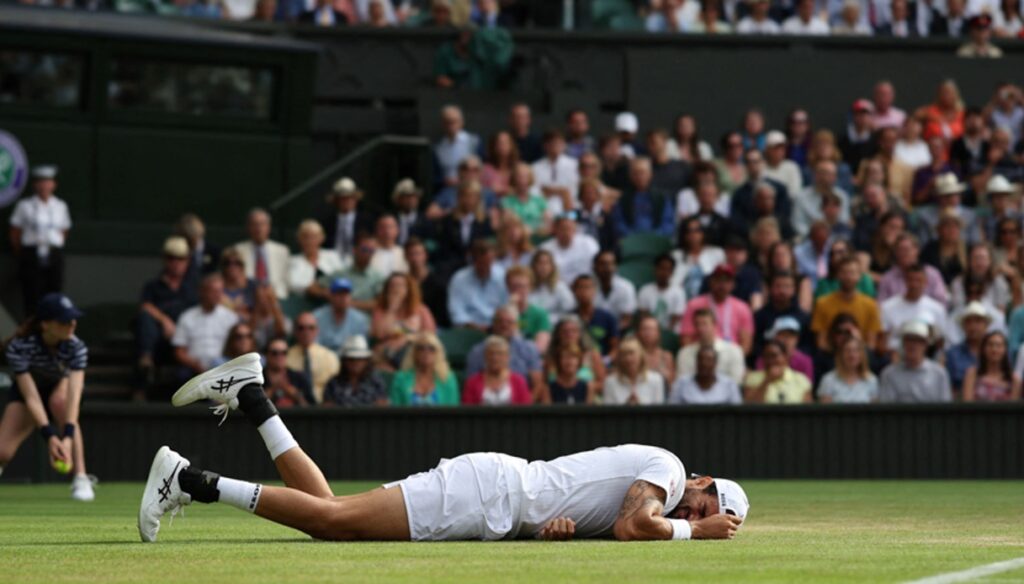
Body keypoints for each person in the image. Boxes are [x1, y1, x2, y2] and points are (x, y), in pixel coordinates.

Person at [143, 358, 750, 543]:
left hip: (500, 499)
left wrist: (555, 532)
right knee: (332, 524)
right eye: (708, 503)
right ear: (702, 479)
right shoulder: (668, 471)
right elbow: (629, 526)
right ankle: (190, 479)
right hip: (488, 493)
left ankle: (249, 393)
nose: (696, 514)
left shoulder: (663, 495)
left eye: (708, 514)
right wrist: (700, 535)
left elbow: (610, 521)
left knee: (326, 506)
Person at [1, 293, 93, 500]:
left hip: (60, 388)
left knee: (59, 401)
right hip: (30, 392)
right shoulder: (19, 347)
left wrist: (66, 437)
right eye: (64, 320)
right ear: (46, 324)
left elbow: (74, 392)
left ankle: (80, 477)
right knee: (3, 452)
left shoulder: (76, 347)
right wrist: (50, 436)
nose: (72, 324)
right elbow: (31, 395)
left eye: (73, 318)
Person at [9, 165, 72, 316]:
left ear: (54, 185)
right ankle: (31, 333)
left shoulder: (60, 206)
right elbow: (15, 232)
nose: (45, 185)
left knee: (54, 293)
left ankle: (52, 331)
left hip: (53, 254)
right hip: (31, 254)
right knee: (32, 295)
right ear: (35, 185)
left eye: (48, 181)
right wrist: (24, 252)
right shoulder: (25, 206)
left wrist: (54, 244)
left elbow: (64, 229)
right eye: (41, 182)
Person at [136, 237, 198, 389]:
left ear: (188, 261)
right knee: (144, 321)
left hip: (187, 338)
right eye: (171, 258)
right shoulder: (153, 286)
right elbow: (144, 306)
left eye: (181, 258)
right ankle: (145, 365)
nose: (176, 263)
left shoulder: (194, 287)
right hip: (159, 337)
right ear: (164, 259)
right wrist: (164, 321)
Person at [465, 305, 545, 393]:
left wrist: (526, 404)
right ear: (493, 324)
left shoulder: (529, 348)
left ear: (516, 325)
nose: (504, 325)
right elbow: (471, 386)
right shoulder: (477, 351)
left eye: (509, 322)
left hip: (522, 402)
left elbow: (538, 384)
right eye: (500, 321)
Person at [172, 274, 239, 377]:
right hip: (193, 368)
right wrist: (193, 364)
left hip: (223, 368)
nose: (217, 295)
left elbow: (238, 346)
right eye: (213, 291)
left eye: (220, 291)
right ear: (202, 292)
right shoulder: (187, 317)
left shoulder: (231, 318)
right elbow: (179, 351)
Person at [810, 257, 883, 353]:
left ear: (860, 276)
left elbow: (871, 343)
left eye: (852, 273)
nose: (848, 277)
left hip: (861, 354)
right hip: (831, 355)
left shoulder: (870, 305)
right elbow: (821, 343)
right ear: (838, 275)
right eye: (844, 272)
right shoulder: (822, 303)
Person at [680, 265, 754, 356]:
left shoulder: (743, 308)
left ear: (733, 284)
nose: (722, 284)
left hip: (730, 357)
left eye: (726, 281)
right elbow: (686, 339)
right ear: (711, 282)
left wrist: (734, 359)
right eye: (718, 280)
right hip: (701, 357)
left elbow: (746, 344)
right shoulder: (694, 305)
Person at [371, 272, 437, 371]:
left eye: (400, 285)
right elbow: (379, 333)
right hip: (385, 353)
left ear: (408, 289)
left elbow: (430, 334)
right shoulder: (381, 309)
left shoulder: (420, 310)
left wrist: (407, 337)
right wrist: (391, 309)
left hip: (411, 352)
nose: (396, 289)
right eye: (392, 286)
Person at [879, 321, 953, 403]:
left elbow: (944, 409)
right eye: (909, 340)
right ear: (903, 343)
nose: (913, 345)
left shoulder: (939, 374)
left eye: (918, 340)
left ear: (926, 344)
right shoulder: (889, 374)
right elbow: (886, 409)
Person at [880, 264, 948, 353]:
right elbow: (882, 340)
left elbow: (941, 341)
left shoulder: (937, 309)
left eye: (918, 280)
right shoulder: (887, 307)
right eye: (911, 280)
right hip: (895, 355)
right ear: (905, 281)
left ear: (926, 282)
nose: (914, 285)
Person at [447, 239, 508, 331]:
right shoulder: (459, 279)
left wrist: (495, 325)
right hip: (468, 329)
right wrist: (474, 326)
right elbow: (456, 312)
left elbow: (506, 306)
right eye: (482, 263)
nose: (487, 267)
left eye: (490, 262)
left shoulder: (502, 276)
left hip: (497, 327)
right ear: (474, 262)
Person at [676, 309, 746, 385]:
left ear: (714, 325)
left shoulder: (734, 351)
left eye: (704, 324)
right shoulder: (685, 353)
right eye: (697, 324)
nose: (700, 328)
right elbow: (683, 382)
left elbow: (736, 381)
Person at [233, 208, 290, 300]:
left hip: (277, 298)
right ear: (248, 227)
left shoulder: (282, 250)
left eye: (262, 224)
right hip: (248, 298)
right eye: (255, 224)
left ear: (269, 227)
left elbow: (286, 280)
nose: (259, 228)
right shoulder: (238, 250)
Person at [389, 332, 459, 406]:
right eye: (421, 348)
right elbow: (395, 411)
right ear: (414, 353)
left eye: (431, 348)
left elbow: (453, 413)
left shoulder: (447, 379)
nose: (426, 352)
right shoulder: (400, 379)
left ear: (438, 353)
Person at [611, 157, 675, 239]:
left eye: (642, 172)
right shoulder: (623, 199)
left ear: (650, 174)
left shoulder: (661, 198)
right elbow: (619, 223)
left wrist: (653, 237)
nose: (639, 176)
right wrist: (634, 237)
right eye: (635, 173)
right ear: (630, 176)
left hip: (657, 242)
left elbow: (668, 223)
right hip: (631, 243)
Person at [754, 271, 813, 358]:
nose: (782, 291)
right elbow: (756, 346)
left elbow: (808, 347)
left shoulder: (804, 318)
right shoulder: (760, 317)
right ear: (770, 288)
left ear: (794, 289)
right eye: (778, 286)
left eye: (787, 286)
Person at [323, 231, 386, 313]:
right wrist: (330, 294)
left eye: (371, 251)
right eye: (364, 249)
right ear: (355, 249)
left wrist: (349, 304)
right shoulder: (340, 273)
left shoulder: (378, 277)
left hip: (364, 321)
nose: (368, 254)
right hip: (337, 318)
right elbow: (313, 288)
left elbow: (380, 303)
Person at [877, 234, 949, 306]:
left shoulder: (932, 274)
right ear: (895, 253)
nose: (904, 253)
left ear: (916, 250)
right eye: (900, 250)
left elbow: (941, 303)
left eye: (907, 249)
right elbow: (882, 306)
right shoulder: (888, 278)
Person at [286, 312, 340, 404]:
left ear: (317, 330)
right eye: (301, 328)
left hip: (325, 407)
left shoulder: (330, 357)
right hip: (296, 408)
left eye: (311, 328)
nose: (306, 332)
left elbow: (336, 386)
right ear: (295, 331)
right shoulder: (285, 356)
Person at [544, 316, 607, 394]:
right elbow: (544, 385)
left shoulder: (592, 355)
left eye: (574, 331)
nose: (569, 334)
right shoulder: (551, 357)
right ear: (558, 334)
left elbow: (603, 384)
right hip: (556, 401)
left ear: (580, 334)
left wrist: (579, 389)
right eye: (565, 331)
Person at [462, 336, 533, 406]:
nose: (495, 357)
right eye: (491, 353)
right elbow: (467, 410)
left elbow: (526, 409)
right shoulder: (472, 382)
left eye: (500, 354)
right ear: (485, 356)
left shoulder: (519, 381)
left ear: (507, 357)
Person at [323, 336, 389, 406]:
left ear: (366, 361)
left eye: (360, 358)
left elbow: (382, 407)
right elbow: (328, 409)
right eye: (351, 359)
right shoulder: (333, 383)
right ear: (344, 361)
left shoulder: (376, 382)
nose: (355, 363)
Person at [287, 220, 344, 299]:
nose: (309, 241)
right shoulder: (292, 261)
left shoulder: (332, 256)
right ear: (299, 239)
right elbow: (292, 285)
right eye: (305, 237)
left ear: (321, 238)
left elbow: (342, 277)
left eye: (314, 237)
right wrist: (314, 290)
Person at [321, 177, 375, 261]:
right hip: (331, 262)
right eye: (343, 198)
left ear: (356, 199)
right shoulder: (327, 222)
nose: (347, 201)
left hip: (358, 262)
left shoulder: (367, 221)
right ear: (336, 201)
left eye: (350, 197)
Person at [742, 340, 811, 403]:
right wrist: (767, 381)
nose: (770, 361)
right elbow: (750, 406)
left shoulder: (801, 379)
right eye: (766, 356)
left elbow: (808, 410)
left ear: (785, 357)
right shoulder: (752, 378)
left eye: (774, 356)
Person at [668, 345, 742, 405]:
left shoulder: (729, 385)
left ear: (715, 363)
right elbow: (672, 412)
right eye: (700, 359)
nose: (704, 363)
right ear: (696, 363)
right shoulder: (681, 384)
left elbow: (737, 414)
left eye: (709, 360)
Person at [540, 213, 600, 286]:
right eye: (562, 228)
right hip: (559, 288)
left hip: (587, 286)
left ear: (575, 229)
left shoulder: (588, 243)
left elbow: (598, 265)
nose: (566, 232)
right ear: (555, 230)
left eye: (569, 228)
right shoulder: (545, 249)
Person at [947, 301, 994, 393]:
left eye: (978, 321)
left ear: (986, 325)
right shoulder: (952, 354)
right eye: (969, 322)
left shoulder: (996, 351)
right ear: (963, 326)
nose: (973, 326)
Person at [671, 217, 725, 297]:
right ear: (684, 236)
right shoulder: (675, 255)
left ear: (703, 233)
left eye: (697, 231)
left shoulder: (717, 253)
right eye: (689, 232)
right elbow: (673, 283)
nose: (693, 235)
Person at [312, 278, 370, 352]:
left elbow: (360, 349)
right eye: (339, 294)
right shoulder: (317, 317)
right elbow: (313, 346)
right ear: (331, 296)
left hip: (349, 360)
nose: (343, 298)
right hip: (323, 359)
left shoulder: (360, 320)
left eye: (346, 294)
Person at [602, 338, 666, 405]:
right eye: (624, 354)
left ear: (641, 355)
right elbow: (608, 413)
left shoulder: (656, 379)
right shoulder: (610, 382)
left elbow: (659, 412)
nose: (628, 359)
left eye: (631, 353)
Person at [817, 336, 878, 403]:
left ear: (862, 355)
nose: (852, 355)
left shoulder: (871, 380)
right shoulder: (829, 380)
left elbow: (874, 410)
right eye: (847, 350)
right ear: (841, 355)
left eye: (856, 350)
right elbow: (824, 411)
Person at [531, 129, 579, 215]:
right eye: (552, 144)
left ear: (564, 145)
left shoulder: (574, 165)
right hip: (543, 212)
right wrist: (561, 191)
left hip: (569, 209)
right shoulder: (535, 167)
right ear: (545, 146)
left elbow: (574, 190)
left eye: (559, 143)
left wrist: (553, 191)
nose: (555, 146)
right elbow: (535, 191)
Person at [505, 266, 552, 351]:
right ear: (508, 288)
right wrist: (511, 310)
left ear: (530, 287)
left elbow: (540, 348)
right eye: (514, 286)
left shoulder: (540, 314)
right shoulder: (502, 314)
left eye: (522, 286)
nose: (518, 290)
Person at [964, 332, 1021, 402]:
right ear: (983, 349)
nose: (994, 349)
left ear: (1005, 350)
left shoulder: (1014, 379)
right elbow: (967, 405)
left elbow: (1013, 408)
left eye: (999, 345)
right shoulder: (972, 374)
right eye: (990, 345)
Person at [406, 237, 449, 328]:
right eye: (411, 254)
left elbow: (441, 316)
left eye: (418, 254)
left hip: (432, 327)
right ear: (405, 256)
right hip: (406, 326)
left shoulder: (438, 283)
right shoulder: (402, 282)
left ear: (425, 255)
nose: (414, 258)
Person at [572, 275, 619, 357]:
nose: (584, 291)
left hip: (603, 361)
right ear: (574, 291)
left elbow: (615, 347)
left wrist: (607, 361)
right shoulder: (569, 318)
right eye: (580, 287)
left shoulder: (608, 318)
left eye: (588, 287)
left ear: (595, 291)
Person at [434, 104, 480, 187]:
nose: (451, 126)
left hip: (471, 188)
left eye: (454, 121)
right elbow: (436, 174)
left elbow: (480, 168)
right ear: (442, 124)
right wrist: (444, 181)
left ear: (461, 122)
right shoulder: (438, 148)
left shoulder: (474, 142)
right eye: (447, 122)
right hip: (447, 188)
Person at [638, 253, 687, 331]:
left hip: (671, 333)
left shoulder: (679, 292)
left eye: (668, 270)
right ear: (655, 269)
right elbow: (644, 316)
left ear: (672, 272)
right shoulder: (645, 290)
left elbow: (676, 318)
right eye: (661, 268)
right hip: (650, 331)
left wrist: (665, 334)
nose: (664, 273)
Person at [756, 317, 814, 382]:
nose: (787, 339)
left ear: (797, 339)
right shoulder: (763, 359)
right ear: (775, 337)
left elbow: (807, 387)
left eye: (791, 336)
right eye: (783, 334)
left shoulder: (805, 361)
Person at [593, 251, 638, 332]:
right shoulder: (588, 286)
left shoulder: (626, 287)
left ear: (616, 267)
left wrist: (611, 332)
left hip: (619, 332)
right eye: (602, 263)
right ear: (595, 267)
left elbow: (627, 319)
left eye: (610, 263)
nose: (606, 267)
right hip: (593, 332)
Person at [262, 338, 314, 408]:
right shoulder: (258, 379)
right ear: (266, 355)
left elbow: (312, 408)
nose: (279, 357)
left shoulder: (299, 378)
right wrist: (270, 392)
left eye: (284, 353)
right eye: (275, 353)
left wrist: (296, 395)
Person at [502, 163, 549, 234]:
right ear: (514, 179)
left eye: (525, 177)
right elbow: (509, 223)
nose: (522, 181)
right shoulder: (507, 202)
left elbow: (548, 223)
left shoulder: (539, 201)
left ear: (530, 179)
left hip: (538, 235)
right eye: (519, 177)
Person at [635, 315, 676, 384]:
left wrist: (665, 375)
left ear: (658, 333)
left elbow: (672, 385)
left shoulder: (666, 357)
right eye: (644, 329)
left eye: (651, 329)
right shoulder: (633, 356)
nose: (648, 333)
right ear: (638, 333)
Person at [219, 248, 257, 320]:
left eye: (237, 263)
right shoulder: (215, 287)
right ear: (223, 266)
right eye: (228, 263)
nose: (232, 267)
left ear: (243, 266)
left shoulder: (253, 286)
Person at [482, 130, 520, 196]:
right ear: (494, 146)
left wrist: (501, 190)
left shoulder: (518, 168)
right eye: (499, 143)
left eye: (506, 143)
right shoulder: (485, 169)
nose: (502, 146)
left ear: (512, 146)